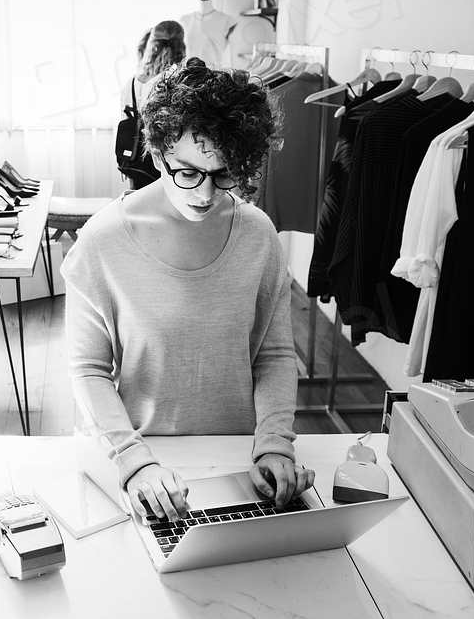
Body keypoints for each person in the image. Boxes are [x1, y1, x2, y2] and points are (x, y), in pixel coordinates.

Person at [65, 57, 311, 524]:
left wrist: (275, 444)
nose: (204, 193)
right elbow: (88, 369)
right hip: (143, 462)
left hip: (242, 462)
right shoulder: (102, 242)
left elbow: (275, 355)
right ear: (158, 154)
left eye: (223, 175)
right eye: (188, 172)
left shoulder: (257, 235)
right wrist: (133, 461)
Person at [117, 20, 186, 189]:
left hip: (134, 158)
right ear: (181, 46)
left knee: (139, 204)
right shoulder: (174, 80)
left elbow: (125, 119)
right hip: (163, 160)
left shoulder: (132, 82)